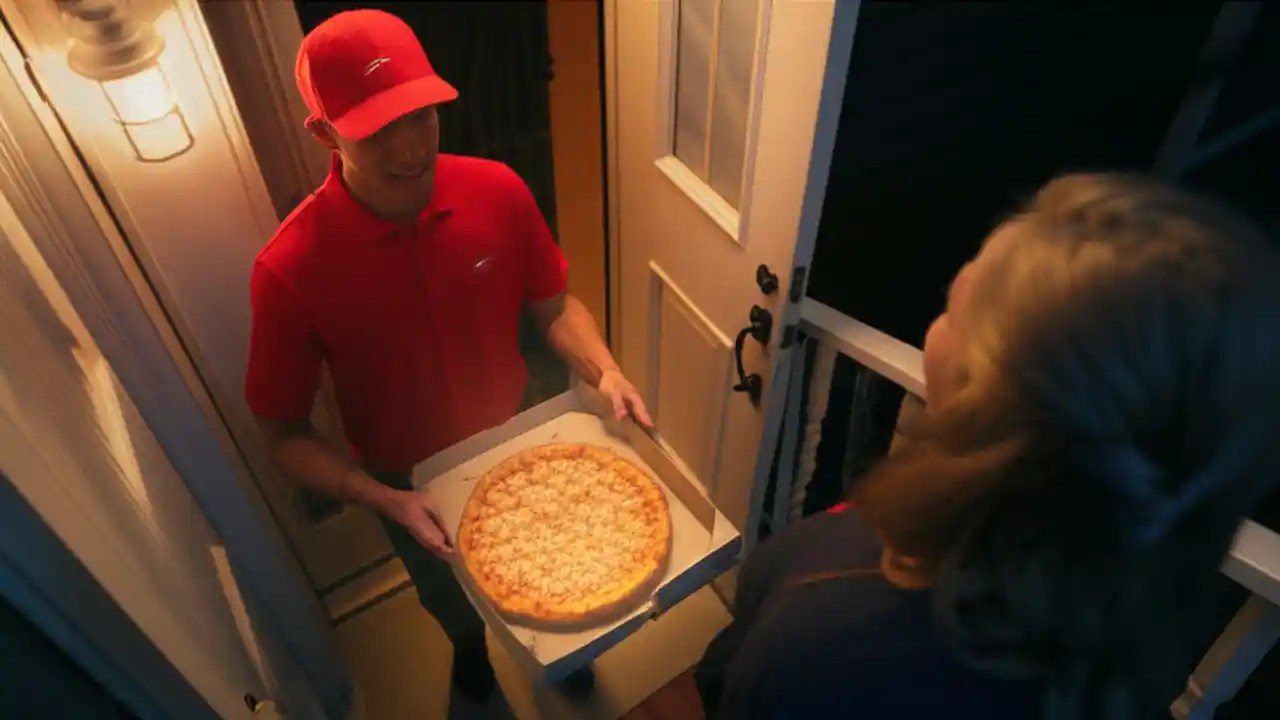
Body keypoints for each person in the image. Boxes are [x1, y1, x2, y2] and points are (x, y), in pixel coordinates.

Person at [696, 174, 1280, 718]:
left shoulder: (825, 660)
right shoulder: (1131, 607)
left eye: (951, 310)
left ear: (992, 406)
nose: (932, 325)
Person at [245, 10, 649, 704]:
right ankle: (469, 649)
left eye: (422, 116)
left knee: (549, 575)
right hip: (403, 473)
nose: (410, 148)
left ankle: (561, 648)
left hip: (519, 434)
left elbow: (554, 307)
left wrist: (605, 369)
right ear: (324, 132)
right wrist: (382, 497)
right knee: (445, 594)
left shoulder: (497, 189)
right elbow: (281, 432)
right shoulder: (289, 267)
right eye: (377, 129)